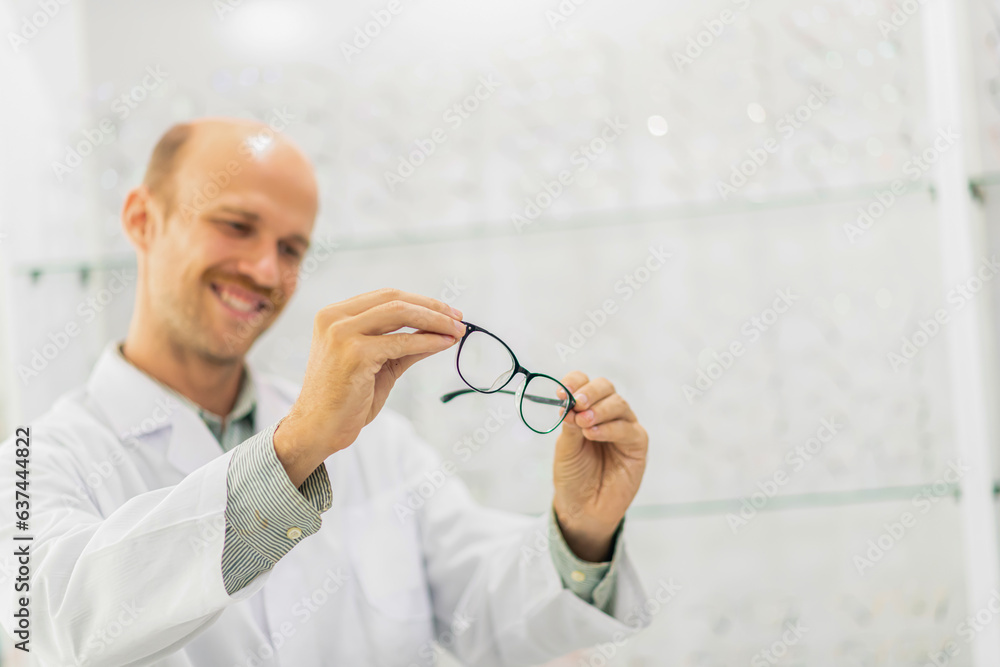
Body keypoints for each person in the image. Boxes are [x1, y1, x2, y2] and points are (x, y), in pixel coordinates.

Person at [0, 118, 652, 666]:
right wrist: (294, 450)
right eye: (236, 225)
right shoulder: (37, 459)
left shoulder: (379, 443)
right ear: (143, 219)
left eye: (291, 248)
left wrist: (582, 530)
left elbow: (484, 611)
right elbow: (52, 620)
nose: (265, 270)